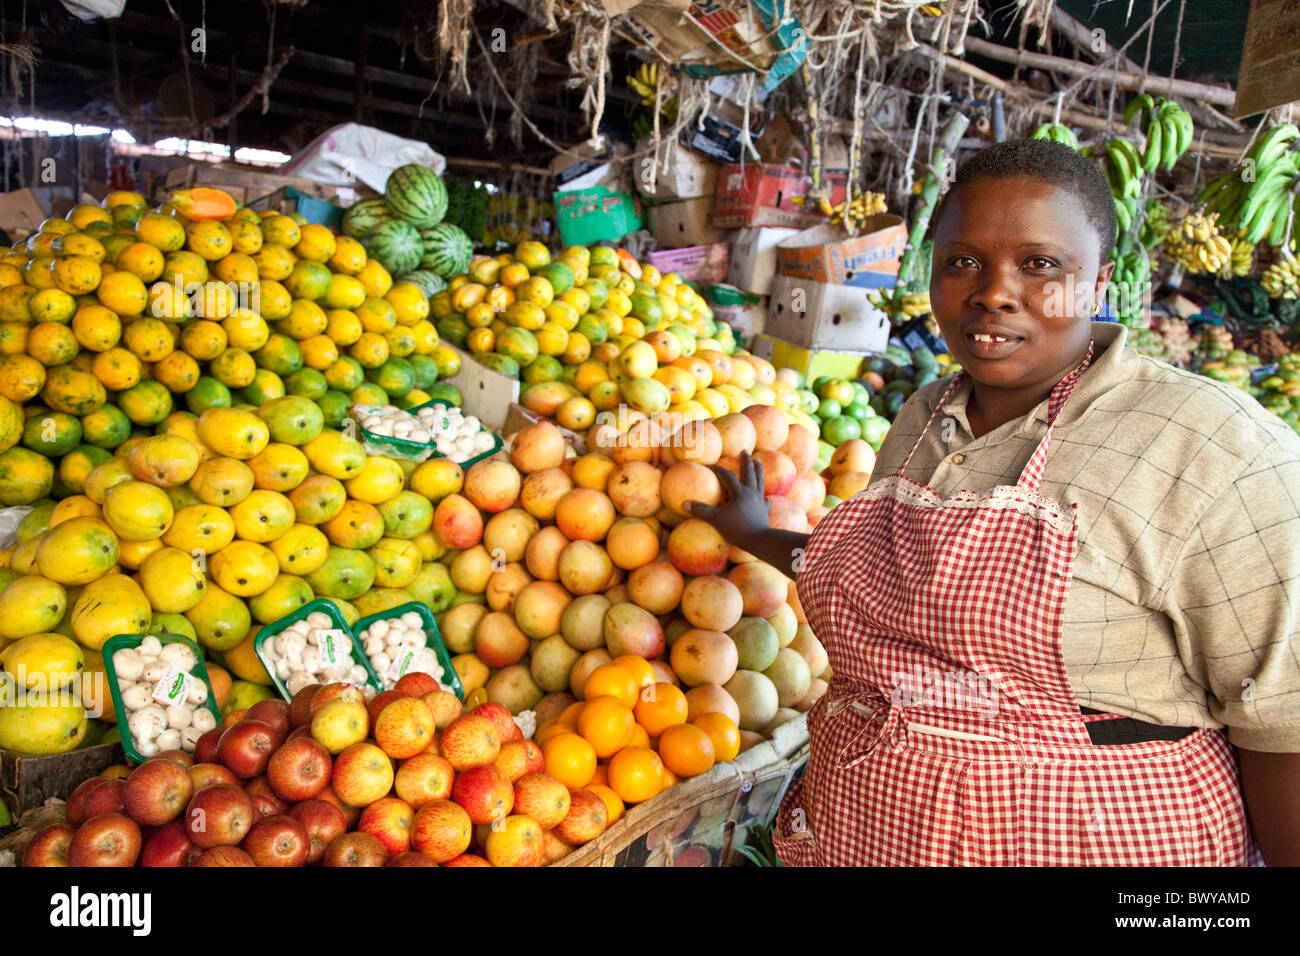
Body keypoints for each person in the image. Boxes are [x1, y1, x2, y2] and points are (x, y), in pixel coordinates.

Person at [686, 138, 1300, 866]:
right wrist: (758, 534)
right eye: (963, 262)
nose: (993, 292)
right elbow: (901, 590)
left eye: (1040, 265)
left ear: (1099, 282)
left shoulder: (1211, 447)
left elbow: (1285, 723)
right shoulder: (923, 419)